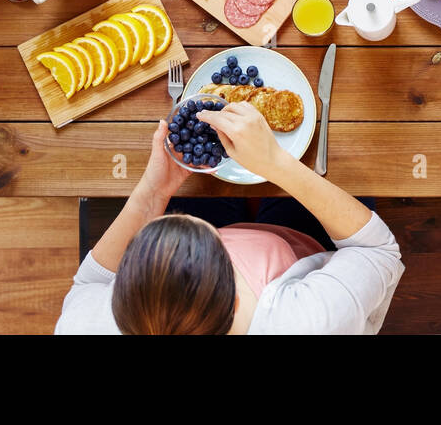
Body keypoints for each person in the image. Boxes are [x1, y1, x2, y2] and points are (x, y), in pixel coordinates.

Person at [55, 104, 404, 334]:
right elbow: (377, 251)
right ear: (234, 301)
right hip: (310, 250)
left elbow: (89, 284)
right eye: (215, 240)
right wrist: (276, 164)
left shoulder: (84, 327)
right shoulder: (308, 323)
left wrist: (154, 192)